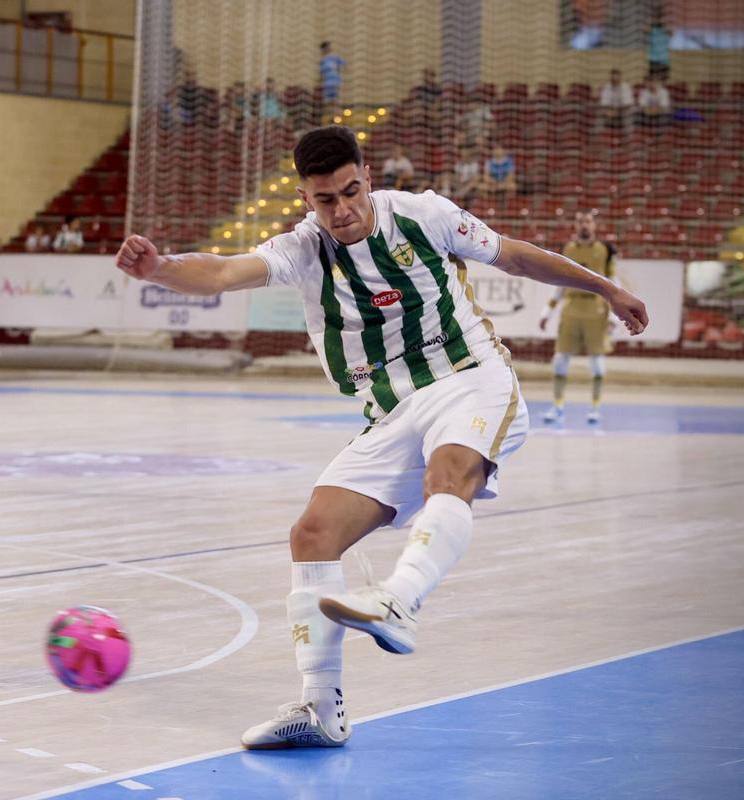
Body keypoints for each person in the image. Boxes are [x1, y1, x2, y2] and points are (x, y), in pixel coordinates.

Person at [114, 125, 647, 750]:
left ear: (368, 177)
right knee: (312, 534)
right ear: (306, 198)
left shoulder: (424, 215)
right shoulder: (304, 248)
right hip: (393, 412)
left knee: (448, 475)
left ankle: (401, 598)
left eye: (351, 191)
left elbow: (514, 256)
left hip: (469, 377)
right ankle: (320, 709)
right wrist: (160, 269)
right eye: (325, 199)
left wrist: (606, 287)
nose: (342, 210)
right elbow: (224, 272)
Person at [538, 211, 619, 425]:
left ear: (594, 225)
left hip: (596, 313)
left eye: (588, 221)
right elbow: (559, 284)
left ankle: (595, 407)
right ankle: (557, 406)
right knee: (559, 361)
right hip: (571, 311)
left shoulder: (605, 250)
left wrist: (613, 316)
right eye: (580, 221)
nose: (584, 224)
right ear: (575, 225)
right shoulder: (567, 249)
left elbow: (613, 283)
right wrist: (547, 312)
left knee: (597, 364)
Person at [318, 41, 344, 113]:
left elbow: (342, 66)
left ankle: (337, 114)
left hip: (335, 81)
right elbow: (321, 73)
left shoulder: (335, 57)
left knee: (336, 99)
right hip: (327, 83)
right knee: (327, 101)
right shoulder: (323, 60)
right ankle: (329, 114)